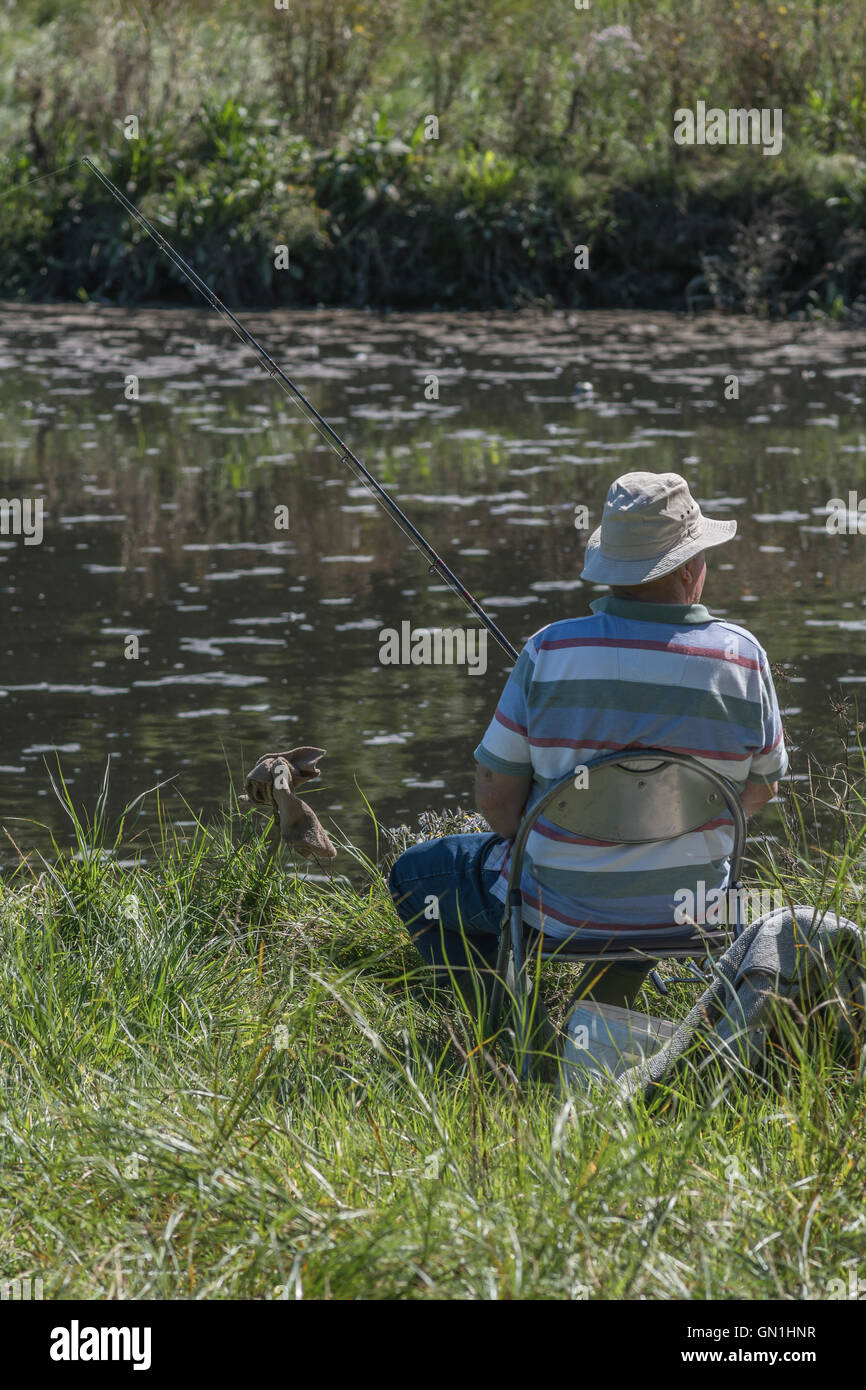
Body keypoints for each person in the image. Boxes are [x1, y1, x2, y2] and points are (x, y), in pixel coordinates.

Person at [389, 471, 788, 1012]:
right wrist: (670, 835)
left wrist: (554, 843)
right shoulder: (743, 658)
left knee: (416, 874)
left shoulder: (550, 651)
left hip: (559, 910)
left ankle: (499, 1032)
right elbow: (761, 786)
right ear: (693, 568)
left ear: (612, 570)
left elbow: (495, 799)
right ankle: (603, 1011)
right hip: (691, 908)